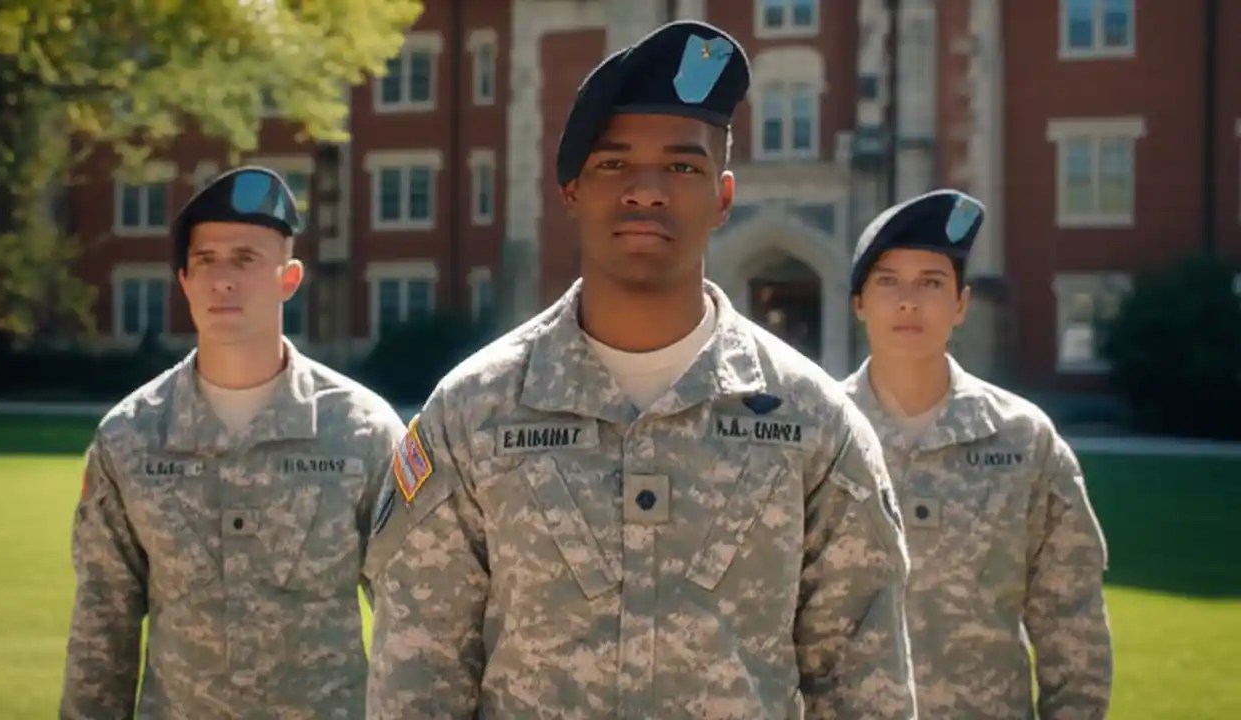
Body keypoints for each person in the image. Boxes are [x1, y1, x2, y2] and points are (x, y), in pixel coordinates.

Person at [364, 21, 916, 720]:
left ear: (722, 197)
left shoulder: (814, 423)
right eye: (614, 164)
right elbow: (420, 678)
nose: (647, 191)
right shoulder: (472, 413)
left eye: (683, 167)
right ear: (571, 190)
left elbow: (864, 686)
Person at [59, 166, 407, 719]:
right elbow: (103, 627)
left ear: (288, 279)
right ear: (184, 282)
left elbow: (414, 617)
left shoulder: (363, 431)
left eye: (245, 260)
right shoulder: (129, 438)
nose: (222, 279)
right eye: (206, 261)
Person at [841, 189, 1113, 718]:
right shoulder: (819, 436)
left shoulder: (1022, 440)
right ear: (858, 303)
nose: (908, 301)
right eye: (888, 281)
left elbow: (1071, 620)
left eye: (932, 283)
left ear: (961, 304)